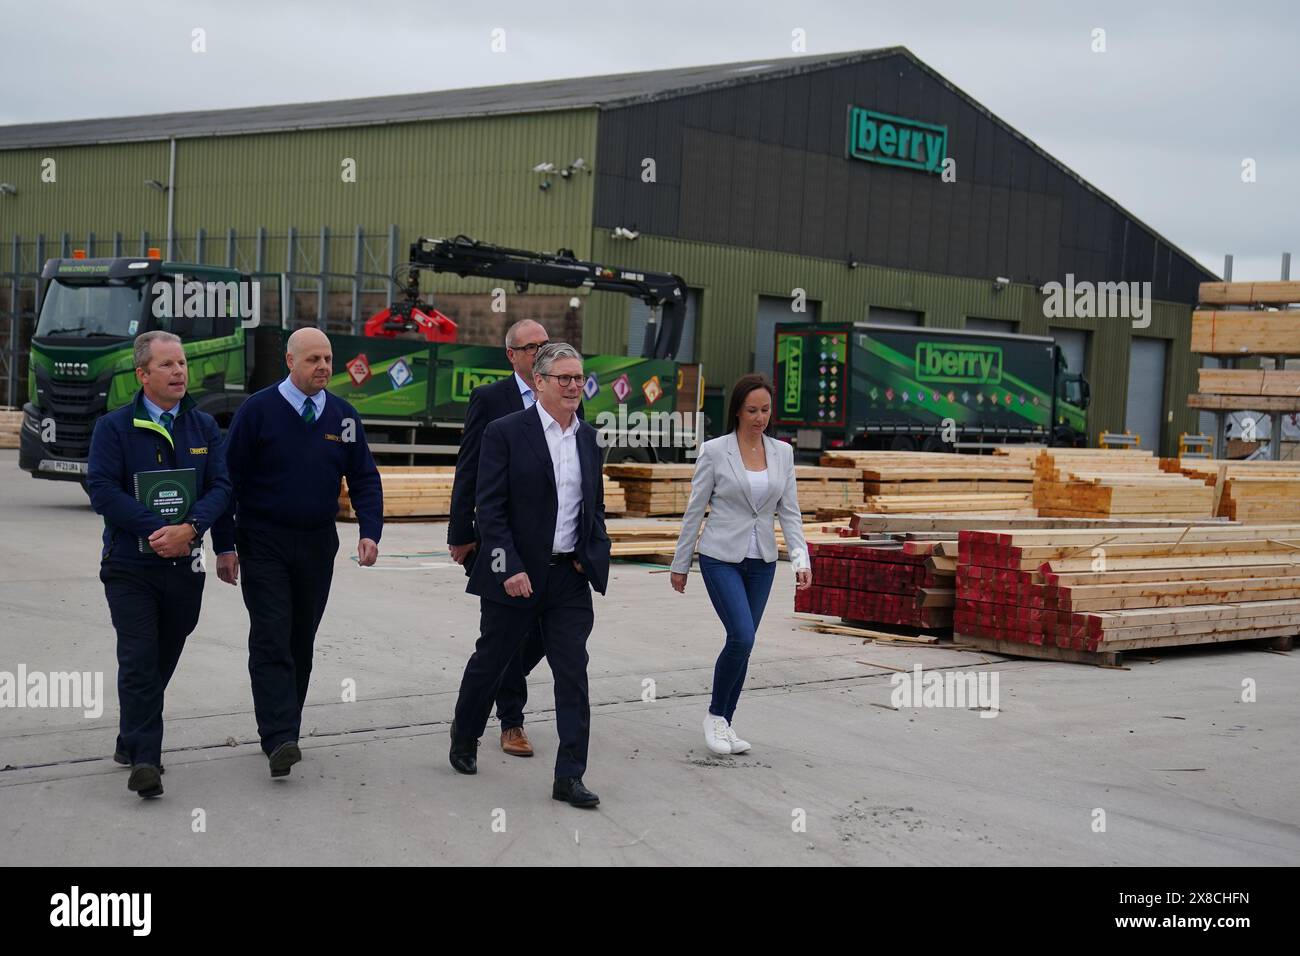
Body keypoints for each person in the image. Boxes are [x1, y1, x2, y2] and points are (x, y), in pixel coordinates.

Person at [213, 327, 382, 779]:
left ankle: (286, 727)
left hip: (316, 543)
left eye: (327, 359)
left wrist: (370, 531)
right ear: (290, 361)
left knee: (300, 639)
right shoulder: (259, 411)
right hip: (263, 540)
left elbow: (364, 476)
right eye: (313, 360)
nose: (323, 367)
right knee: (271, 634)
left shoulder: (343, 416)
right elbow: (225, 481)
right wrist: (225, 545)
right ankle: (279, 736)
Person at [448, 343, 611, 808]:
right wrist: (508, 567)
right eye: (564, 378)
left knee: (572, 673)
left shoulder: (589, 438)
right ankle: (465, 734)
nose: (574, 386)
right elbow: (491, 509)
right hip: (515, 574)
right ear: (539, 382)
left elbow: (593, 509)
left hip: (567, 579)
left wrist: (591, 554)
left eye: (579, 378)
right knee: (492, 660)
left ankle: (569, 776)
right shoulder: (505, 432)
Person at [87, 331, 232, 798]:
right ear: (142, 374)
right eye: (167, 365)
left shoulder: (204, 427)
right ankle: (146, 760)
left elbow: (222, 487)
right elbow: (102, 489)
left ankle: (131, 733)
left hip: (184, 567)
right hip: (130, 566)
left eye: (182, 364)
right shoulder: (113, 428)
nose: (179, 373)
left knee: (165, 653)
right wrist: (156, 530)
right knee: (138, 659)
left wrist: (190, 529)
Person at [669, 373, 813, 755]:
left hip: (762, 561)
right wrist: (680, 563)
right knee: (742, 636)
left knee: (744, 645)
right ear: (736, 410)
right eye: (752, 410)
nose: (760, 417)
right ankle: (715, 716)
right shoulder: (715, 451)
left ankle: (726, 723)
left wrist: (801, 558)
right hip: (720, 557)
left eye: (765, 409)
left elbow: (791, 512)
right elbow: (695, 509)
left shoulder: (782, 452)